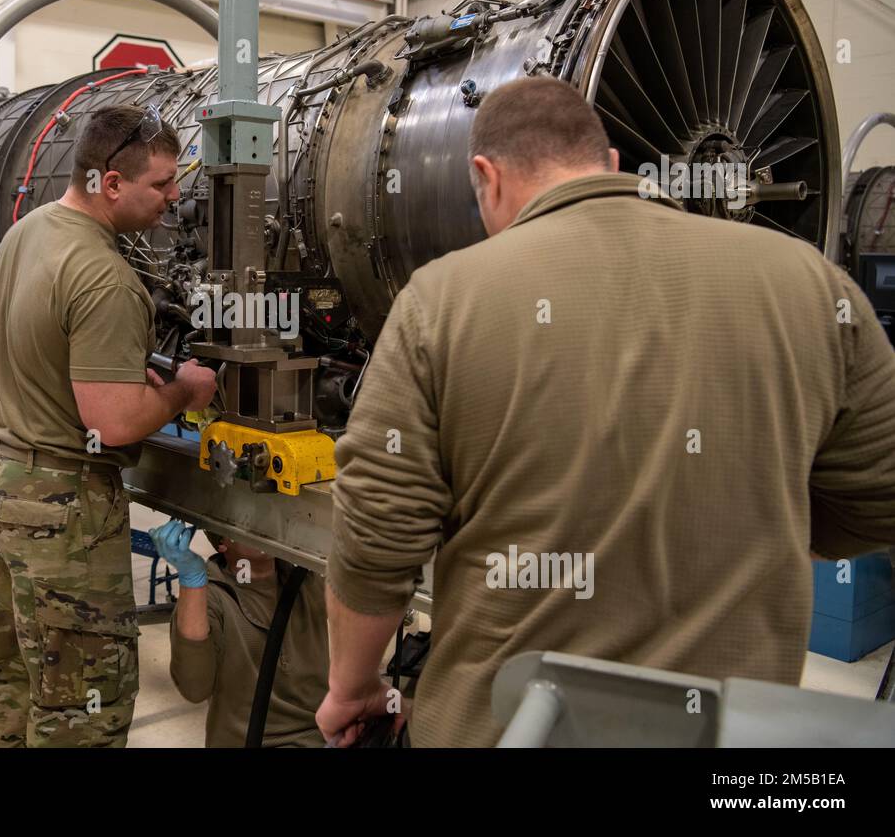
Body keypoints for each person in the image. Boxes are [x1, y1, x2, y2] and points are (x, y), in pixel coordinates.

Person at [317, 76, 895, 747]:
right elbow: (879, 498)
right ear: (614, 164)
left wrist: (352, 689)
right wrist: (758, 511)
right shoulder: (810, 281)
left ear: (486, 175)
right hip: (735, 739)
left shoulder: (441, 303)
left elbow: (377, 538)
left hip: (512, 730)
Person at [0, 104, 218, 747]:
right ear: (111, 183)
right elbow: (112, 421)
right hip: (58, 506)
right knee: (82, 704)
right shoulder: (105, 276)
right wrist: (185, 389)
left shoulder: (30, 232)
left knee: (13, 676)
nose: (174, 196)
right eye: (161, 183)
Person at [151, 519, 329, 747]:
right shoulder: (212, 598)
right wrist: (192, 585)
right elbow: (194, 688)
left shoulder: (306, 579)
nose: (266, 527)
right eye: (247, 523)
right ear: (222, 542)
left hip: (322, 736)